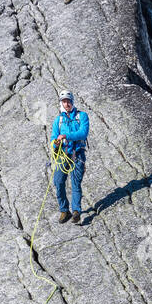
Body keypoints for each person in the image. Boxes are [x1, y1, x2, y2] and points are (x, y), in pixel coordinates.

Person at [51, 91, 89, 223]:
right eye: (64, 101)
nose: (66, 104)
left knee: (75, 183)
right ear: (61, 103)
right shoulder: (58, 120)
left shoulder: (82, 116)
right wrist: (55, 143)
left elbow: (83, 133)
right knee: (58, 182)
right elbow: (53, 137)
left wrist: (66, 136)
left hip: (77, 154)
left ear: (72, 102)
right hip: (63, 154)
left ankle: (76, 211)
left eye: (68, 101)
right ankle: (64, 210)